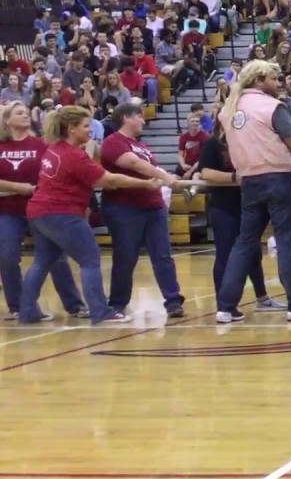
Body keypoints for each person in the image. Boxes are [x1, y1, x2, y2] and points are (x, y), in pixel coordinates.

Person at [19, 106, 161, 325]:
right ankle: (100, 311)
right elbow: (109, 180)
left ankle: (27, 311)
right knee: (90, 260)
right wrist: (146, 183)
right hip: (63, 214)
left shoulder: (54, 148)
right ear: (72, 128)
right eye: (86, 126)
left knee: (42, 261)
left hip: (39, 212)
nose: (91, 130)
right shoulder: (74, 156)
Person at [215, 60, 291, 324]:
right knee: (287, 244)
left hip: (248, 181)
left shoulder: (228, 109)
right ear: (259, 80)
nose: (278, 84)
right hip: (279, 178)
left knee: (244, 243)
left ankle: (226, 306)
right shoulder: (271, 107)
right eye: (274, 79)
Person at [0, 102, 87, 321]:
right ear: (7, 119)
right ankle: (19, 306)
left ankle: (74, 305)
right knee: (7, 256)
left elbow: (53, 171)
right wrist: (18, 187)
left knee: (54, 256)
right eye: (19, 113)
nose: (25, 116)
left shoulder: (41, 144)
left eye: (27, 113)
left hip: (41, 208)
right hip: (7, 210)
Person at [99, 101, 185, 318]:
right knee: (126, 257)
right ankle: (118, 303)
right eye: (140, 116)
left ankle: (173, 300)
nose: (144, 121)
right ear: (127, 118)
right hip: (124, 207)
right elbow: (133, 164)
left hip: (153, 206)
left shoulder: (143, 145)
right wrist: (163, 176)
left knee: (163, 255)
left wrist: (166, 176)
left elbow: (150, 167)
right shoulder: (113, 142)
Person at [195, 113, 282, 313]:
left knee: (253, 254)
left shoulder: (246, 143)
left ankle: (262, 298)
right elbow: (206, 174)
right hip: (224, 207)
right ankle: (224, 305)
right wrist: (236, 177)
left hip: (249, 206)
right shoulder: (213, 145)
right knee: (226, 255)